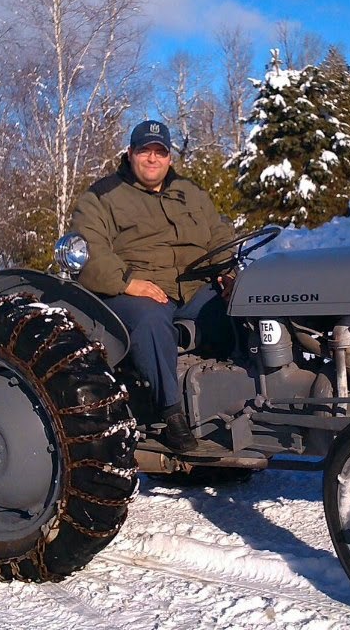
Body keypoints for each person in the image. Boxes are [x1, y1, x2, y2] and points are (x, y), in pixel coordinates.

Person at [69, 120, 235, 452]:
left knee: (244, 306)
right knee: (151, 320)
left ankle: (245, 398)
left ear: (169, 157)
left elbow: (219, 233)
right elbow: (89, 248)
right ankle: (170, 413)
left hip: (191, 287)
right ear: (130, 154)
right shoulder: (102, 196)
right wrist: (128, 283)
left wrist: (227, 270)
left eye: (160, 152)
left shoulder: (191, 193)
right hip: (133, 290)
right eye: (145, 151)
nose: (152, 158)